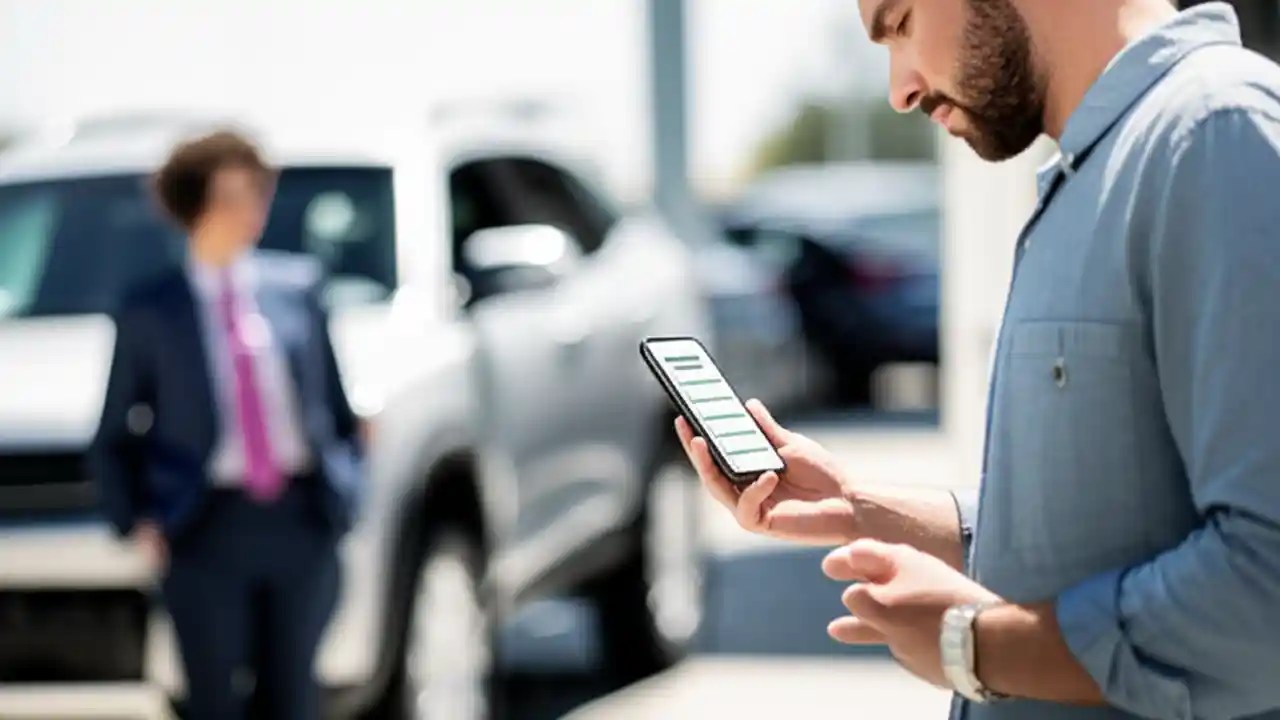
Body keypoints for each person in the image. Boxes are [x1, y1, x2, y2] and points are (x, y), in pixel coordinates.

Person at [680, 1, 1280, 718]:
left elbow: (1265, 580)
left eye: (900, 22)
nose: (900, 88)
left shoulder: (1216, 134)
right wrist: (860, 507)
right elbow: (1103, 536)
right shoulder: (1097, 171)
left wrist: (974, 645)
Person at [91, 129, 362, 720]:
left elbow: (336, 413)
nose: (250, 212)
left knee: (293, 698)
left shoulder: (298, 287)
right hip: (206, 525)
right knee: (214, 700)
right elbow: (114, 433)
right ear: (193, 208)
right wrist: (136, 520)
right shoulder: (152, 308)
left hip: (299, 519)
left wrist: (346, 490)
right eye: (231, 197)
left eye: (256, 195)